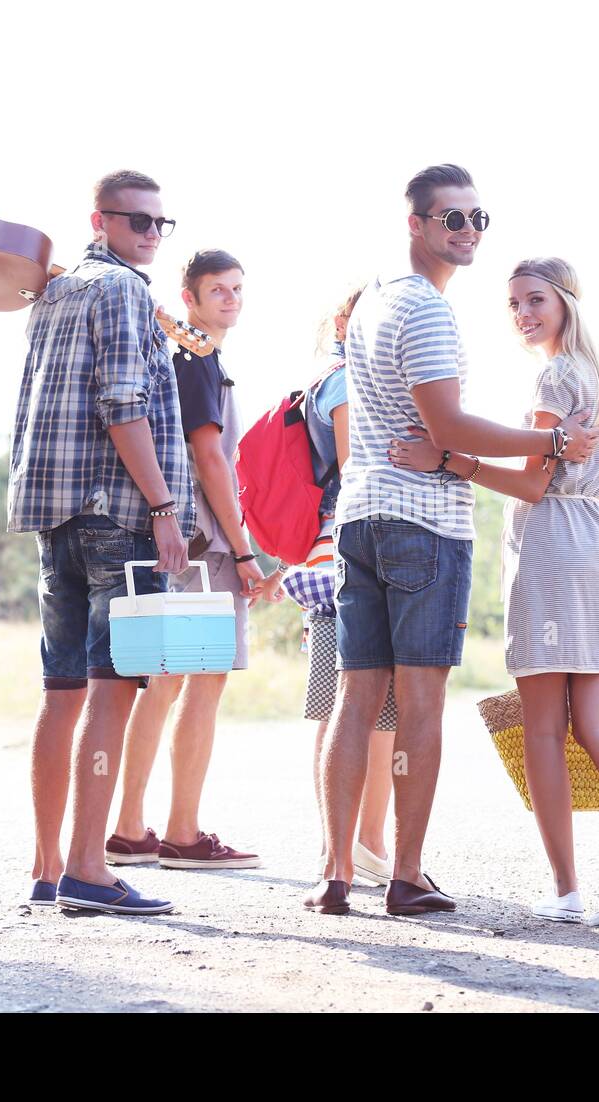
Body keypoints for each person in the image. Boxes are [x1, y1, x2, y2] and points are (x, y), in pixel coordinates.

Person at [303, 164, 598, 916]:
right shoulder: (427, 311)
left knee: (357, 694)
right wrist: (555, 441)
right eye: (451, 219)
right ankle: (404, 876)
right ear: (416, 224)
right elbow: (449, 428)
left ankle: (336, 875)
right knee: (421, 703)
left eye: (477, 219)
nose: (466, 232)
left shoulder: (370, 301)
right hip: (422, 524)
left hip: (361, 516)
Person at [389, 257, 599, 928]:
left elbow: (530, 484)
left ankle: (574, 886)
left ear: (567, 301)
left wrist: (451, 461)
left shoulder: (555, 375)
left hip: (554, 549)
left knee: (546, 730)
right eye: (514, 303)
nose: (523, 313)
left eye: (536, 299)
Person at [7, 169, 192, 915]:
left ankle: (49, 866)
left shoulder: (53, 293)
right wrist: (166, 507)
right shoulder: (121, 292)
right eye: (137, 221)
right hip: (119, 513)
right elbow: (123, 406)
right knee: (112, 692)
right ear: (100, 219)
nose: (150, 235)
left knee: (62, 693)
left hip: (55, 516)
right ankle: (90, 868)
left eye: (159, 223)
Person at [107, 250, 274, 871]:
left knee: (164, 683)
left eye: (237, 288)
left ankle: (129, 829)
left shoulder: (182, 357)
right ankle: (181, 834)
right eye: (217, 290)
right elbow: (212, 462)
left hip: (178, 540)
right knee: (201, 687)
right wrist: (246, 549)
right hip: (207, 545)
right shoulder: (198, 360)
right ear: (191, 297)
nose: (231, 299)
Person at [255, 286, 400, 887]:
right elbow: (356, 463)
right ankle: (346, 844)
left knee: (360, 709)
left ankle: (359, 843)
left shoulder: (341, 378)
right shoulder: (344, 381)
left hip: (334, 553)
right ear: (345, 321)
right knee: (355, 708)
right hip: (350, 553)